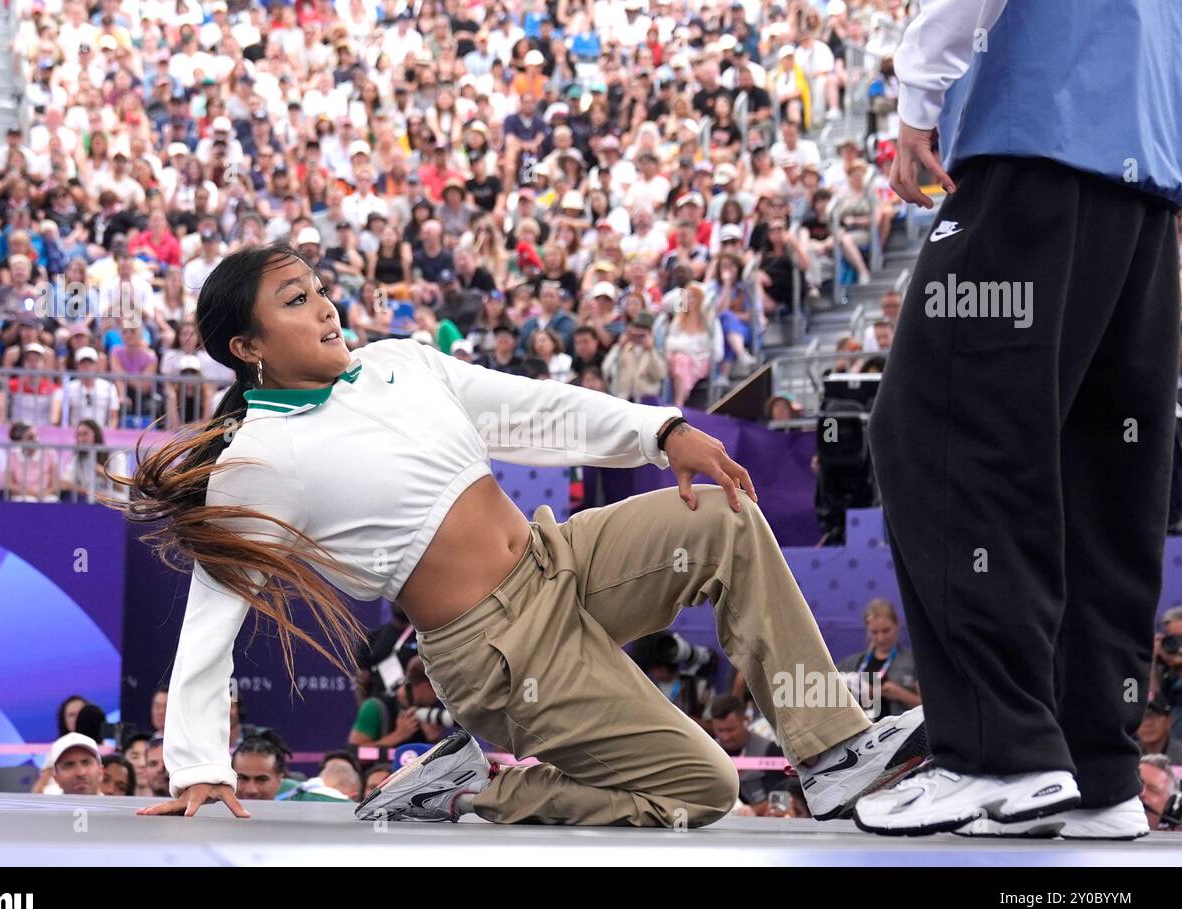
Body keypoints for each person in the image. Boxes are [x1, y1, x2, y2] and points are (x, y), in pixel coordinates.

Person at [127, 242, 926, 826]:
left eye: (317, 289)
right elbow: (213, 615)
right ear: (248, 347)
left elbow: (537, 409)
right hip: (499, 654)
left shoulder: (403, 362)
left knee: (721, 517)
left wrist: (664, 431)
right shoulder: (257, 461)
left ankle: (830, 756)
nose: (325, 306)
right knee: (705, 790)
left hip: (559, 560)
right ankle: (464, 791)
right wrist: (197, 763)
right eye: (293, 301)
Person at [857, 0, 1182, 840]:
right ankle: (1096, 772)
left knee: (939, 432)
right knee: (1097, 472)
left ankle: (995, 755)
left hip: (1034, 140)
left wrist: (916, 100)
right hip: (1142, 176)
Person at [836, 599, 920, 720]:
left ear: (896, 626)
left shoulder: (912, 661)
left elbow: (930, 708)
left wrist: (899, 694)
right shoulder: (854, 662)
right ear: (867, 630)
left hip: (899, 734)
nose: (881, 638)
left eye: (886, 631)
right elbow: (827, 687)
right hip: (862, 733)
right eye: (874, 632)